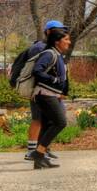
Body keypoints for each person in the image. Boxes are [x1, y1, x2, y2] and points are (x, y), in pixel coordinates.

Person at [16, 20, 67, 163]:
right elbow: (37, 72)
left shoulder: (51, 48)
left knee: (48, 121)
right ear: (50, 32)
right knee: (38, 119)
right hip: (40, 93)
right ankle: (32, 151)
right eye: (60, 31)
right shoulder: (40, 47)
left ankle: (42, 150)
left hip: (49, 92)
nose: (64, 34)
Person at [30, 25, 71, 170]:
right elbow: (37, 71)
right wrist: (54, 81)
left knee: (47, 125)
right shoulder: (49, 53)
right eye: (66, 39)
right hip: (45, 95)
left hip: (51, 95)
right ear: (57, 41)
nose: (69, 42)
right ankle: (38, 153)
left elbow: (63, 77)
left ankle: (40, 161)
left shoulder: (58, 54)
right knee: (61, 122)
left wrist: (63, 91)